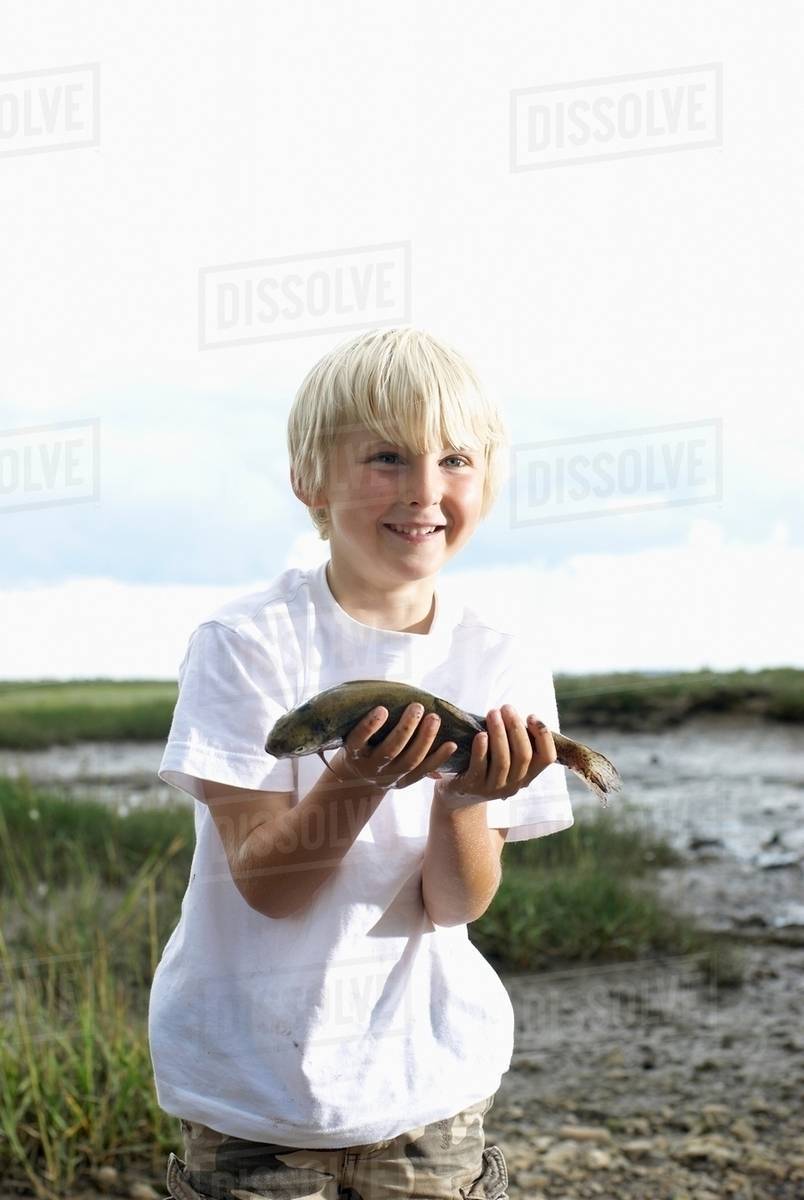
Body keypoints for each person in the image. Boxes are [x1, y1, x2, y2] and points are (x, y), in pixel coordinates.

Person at [150, 326, 574, 1200]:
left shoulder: (501, 660)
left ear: (487, 480)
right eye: (386, 457)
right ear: (310, 480)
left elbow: (455, 904)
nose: (424, 490)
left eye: (455, 459)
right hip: (253, 1094)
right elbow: (272, 889)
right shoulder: (243, 644)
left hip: (428, 1086)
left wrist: (464, 801)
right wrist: (357, 778)